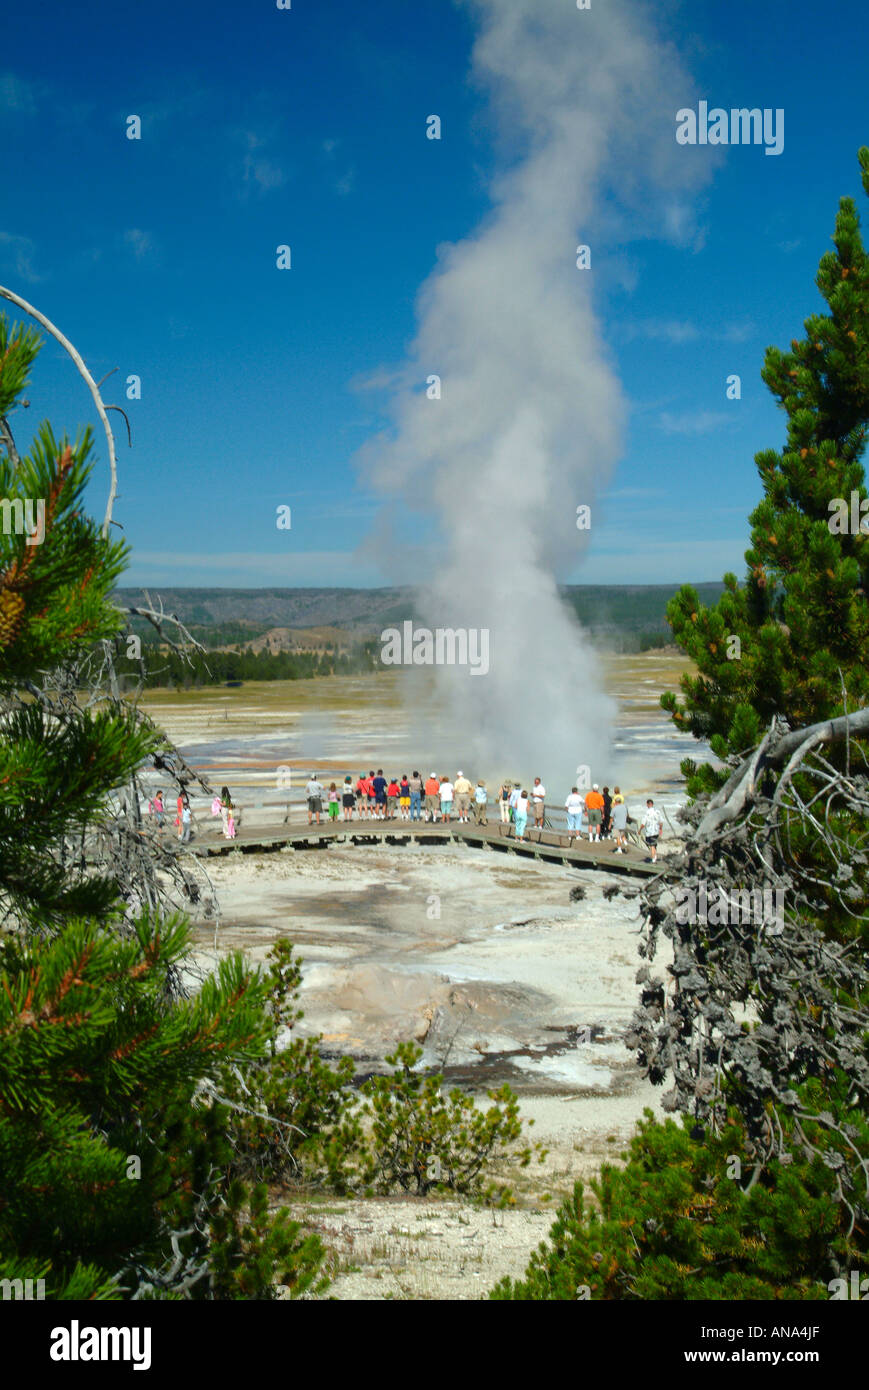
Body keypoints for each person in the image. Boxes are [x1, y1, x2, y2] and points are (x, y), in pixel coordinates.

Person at [642, 798, 664, 863]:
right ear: (652, 804)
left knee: (651, 845)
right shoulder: (657, 811)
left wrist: (640, 830)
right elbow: (661, 821)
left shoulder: (647, 812)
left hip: (649, 831)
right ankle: (655, 856)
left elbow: (643, 823)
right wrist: (660, 828)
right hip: (656, 830)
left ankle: (653, 858)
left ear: (648, 804)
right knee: (654, 844)